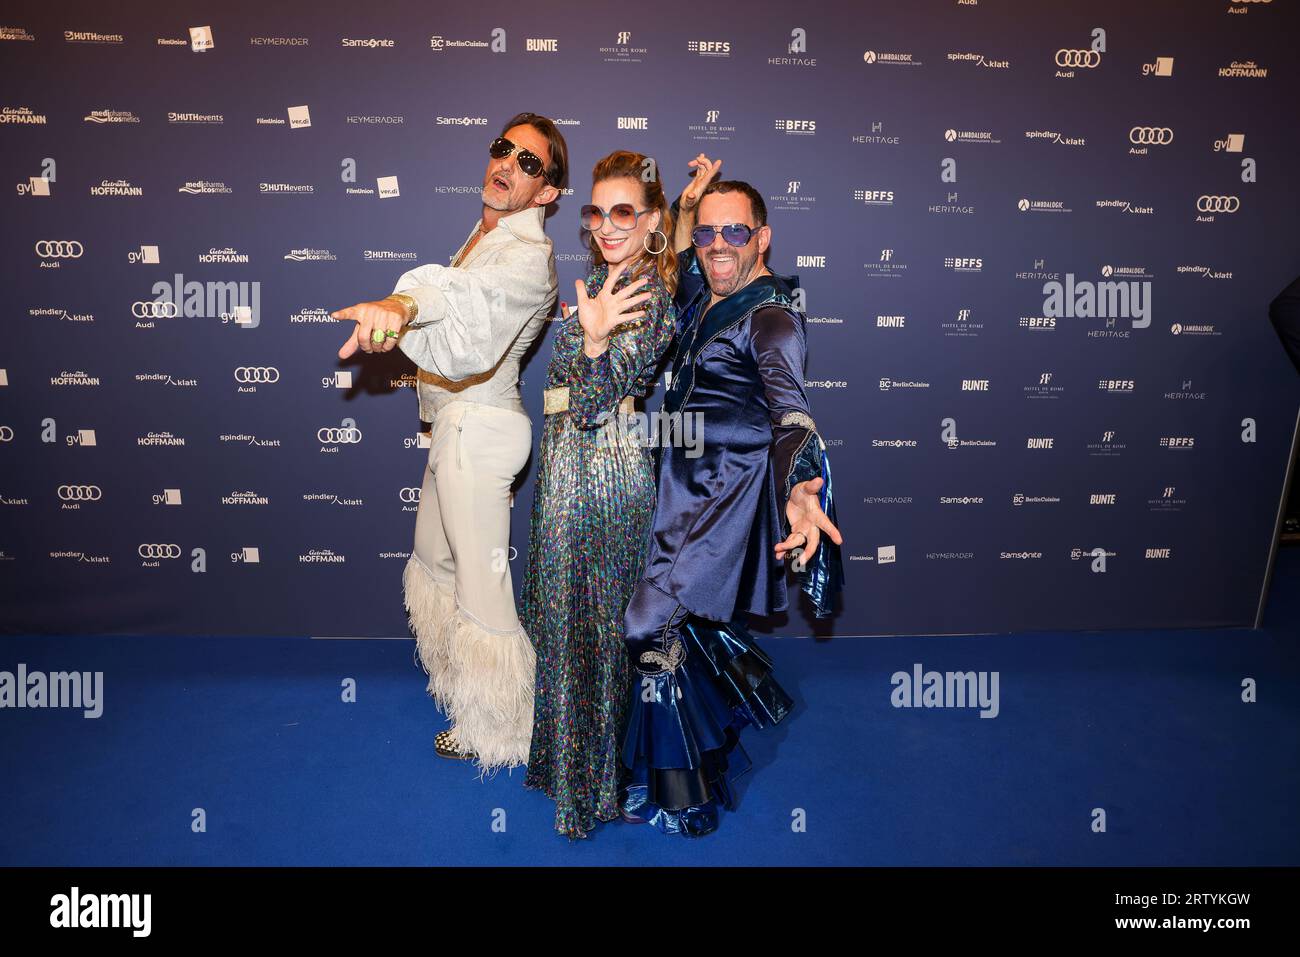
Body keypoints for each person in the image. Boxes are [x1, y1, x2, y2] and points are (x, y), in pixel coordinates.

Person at [330, 112, 566, 772]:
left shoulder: (527, 257)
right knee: (435, 566)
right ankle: (464, 690)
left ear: (546, 193)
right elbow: (453, 296)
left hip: (482, 431)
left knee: (481, 590)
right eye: (503, 150)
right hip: (456, 430)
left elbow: (460, 308)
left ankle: (506, 730)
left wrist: (399, 308)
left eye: (529, 163)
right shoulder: (484, 236)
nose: (508, 164)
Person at [618, 159, 844, 836]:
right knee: (678, 625)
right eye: (708, 232)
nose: (718, 243)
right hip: (677, 479)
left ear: (762, 238)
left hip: (719, 495)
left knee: (646, 623)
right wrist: (685, 209)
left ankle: (684, 797)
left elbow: (791, 410)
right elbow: (679, 261)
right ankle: (691, 751)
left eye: (734, 232)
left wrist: (804, 485)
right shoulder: (707, 289)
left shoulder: (771, 318)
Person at [521, 151, 679, 839]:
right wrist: (581, 350)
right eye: (597, 210)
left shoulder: (647, 296)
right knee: (561, 623)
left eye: (624, 212)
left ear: (650, 222)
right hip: (563, 470)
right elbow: (560, 396)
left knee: (591, 634)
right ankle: (563, 767)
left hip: (605, 480)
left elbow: (590, 402)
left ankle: (589, 791)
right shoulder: (599, 277)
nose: (607, 224)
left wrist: (589, 345)